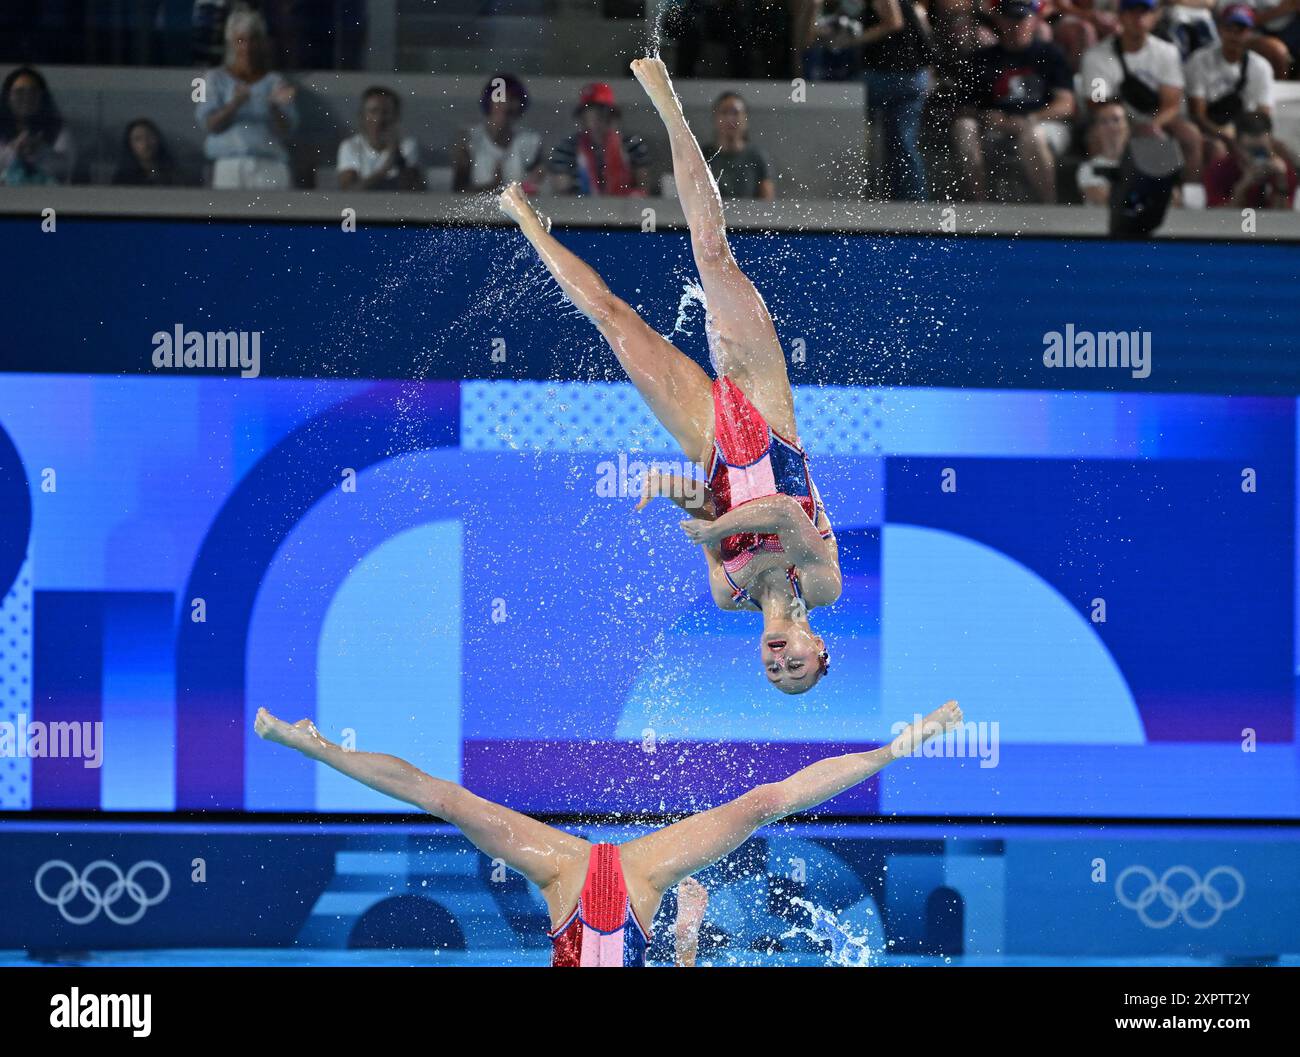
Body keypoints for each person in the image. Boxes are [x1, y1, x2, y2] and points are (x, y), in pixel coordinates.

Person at [503, 57, 842, 695]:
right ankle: (669, 105)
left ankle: (526, 221)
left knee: (613, 322)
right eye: (796, 663)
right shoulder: (821, 584)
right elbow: (785, 519)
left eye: (773, 671)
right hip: (767, 413)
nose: (780, 659)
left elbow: (711, 504)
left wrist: (677, 492)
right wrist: (713, 527)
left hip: (709, 439)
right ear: (817, 645)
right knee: (712, 250)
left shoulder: (727, 591)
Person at [253, 700, 964, 967]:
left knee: (449, 800)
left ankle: (322, 749)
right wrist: (688, 924)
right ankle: (898, 748)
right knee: (758, 806)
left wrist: (687, 926)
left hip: (568, 893)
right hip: (635, 893)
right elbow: (679, 957)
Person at [952, 0, 1076, 202]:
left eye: (1021, 19)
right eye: (1009, 19)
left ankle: (1050, 207)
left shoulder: (1050, 54)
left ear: (1034, 21)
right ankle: (978, 205)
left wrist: (1029, 118)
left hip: (1043, 125)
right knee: (964, 128)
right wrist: (986, 117)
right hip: (996, 127)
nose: (1015, 25)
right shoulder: (982, 59)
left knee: (1032, 136)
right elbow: (964, 108)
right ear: (999, 21)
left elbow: (1067, 105)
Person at [1079, 0, 1203, 198]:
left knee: (1190, 134)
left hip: (1157, 118)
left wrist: (1152, 125)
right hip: (1117, 119)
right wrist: (1126, 124)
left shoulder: (1167, 52)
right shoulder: (1097, 56)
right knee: (1099, 133)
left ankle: (1192, 197)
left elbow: (1171, 104)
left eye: (1144, 12)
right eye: (1132, 12)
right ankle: (1104, 192)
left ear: (1154, 17)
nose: (1139, 18)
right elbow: (1097, 103)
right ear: (1120, 17)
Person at [195, 5, 298, 189]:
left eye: (253, 40)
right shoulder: (212, 79)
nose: (247, 47)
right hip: (228, 164)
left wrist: (274, 107)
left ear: (261, 43)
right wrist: (234, 104)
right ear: (231, 43)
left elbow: (288, 130)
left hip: (270, 164)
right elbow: (208, 124)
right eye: (241, 40)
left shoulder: (276, 81)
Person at [1186, 5, 1275, 163]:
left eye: (1240, 30)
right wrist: (1224, 134)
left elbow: (1263, 115)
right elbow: (1197, 115)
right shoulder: (1199, 60)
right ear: (1220, 30)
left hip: (1246, 131)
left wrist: (1246, 137)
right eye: (1229, 29)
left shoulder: (1261, 67)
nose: (1234, 35)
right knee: (1218, 148)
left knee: (1280, 151)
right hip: (1210, 130)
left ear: (1250, 33)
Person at [549, 82, 650, 197]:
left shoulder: (632, 144)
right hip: (580, 211)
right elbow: (562, 193)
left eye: (601, 111)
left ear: (612, 115)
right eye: (589, 112)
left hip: (626, 210)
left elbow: (643, 188)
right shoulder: (566, 148)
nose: (595, 119)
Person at [451, 73, 544, 195]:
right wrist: (493, 188)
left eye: (510, 100)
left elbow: (539, 187)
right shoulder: (470, 139)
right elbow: (458, 192)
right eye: (499, 99)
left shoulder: (530, 141)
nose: (504, 106)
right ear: (488, 102)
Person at [337, 86, 424, 192]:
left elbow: (412, 189)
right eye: (373, 111)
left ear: (396, 116)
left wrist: (395, 151)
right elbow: (348, 190)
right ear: (362, 116)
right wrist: (384, 170)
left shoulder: (407, 145)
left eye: (386, 112)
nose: (379, 119)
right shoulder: (350, 146)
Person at [1204, 110, 1296, 207]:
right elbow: (1216, 218)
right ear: (1237, 146)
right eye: (1251, 150)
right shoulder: (1218, 170)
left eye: (1262, 151)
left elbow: (1283, 219)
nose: (1257, 157)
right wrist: (1242, 188)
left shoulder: (1283, 171)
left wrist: (1281, 184)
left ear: (1271, 144)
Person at [0, 65, 74, 186]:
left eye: (33, 92)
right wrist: (14, 151)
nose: (26, 97)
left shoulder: (58, 129)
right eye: (19, 92)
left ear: (42, 97)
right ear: (8, 97)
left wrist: (41, 151)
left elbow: (67, 168)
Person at [701, 91, 776, 199]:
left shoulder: (757, 157)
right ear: (715, 118)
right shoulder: (702, 155)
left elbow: (767, 204)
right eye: (724, 112)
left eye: (735, 113)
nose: (730, 119)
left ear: (745, 118)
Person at [1075, 98, 1130, 202]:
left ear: (1127, 126)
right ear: (1097, 130)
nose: (1111, 126)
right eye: (1104, 122)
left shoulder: (1141, 164)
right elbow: (1104, 200)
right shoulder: (1088, 168)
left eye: (1116, 119)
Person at [111, 118, 186, 186]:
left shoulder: (173, 175)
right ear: (129, 144)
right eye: (138, 139)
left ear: (158, 140)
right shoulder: (123, 179)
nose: (145, 143)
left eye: (149, 136)